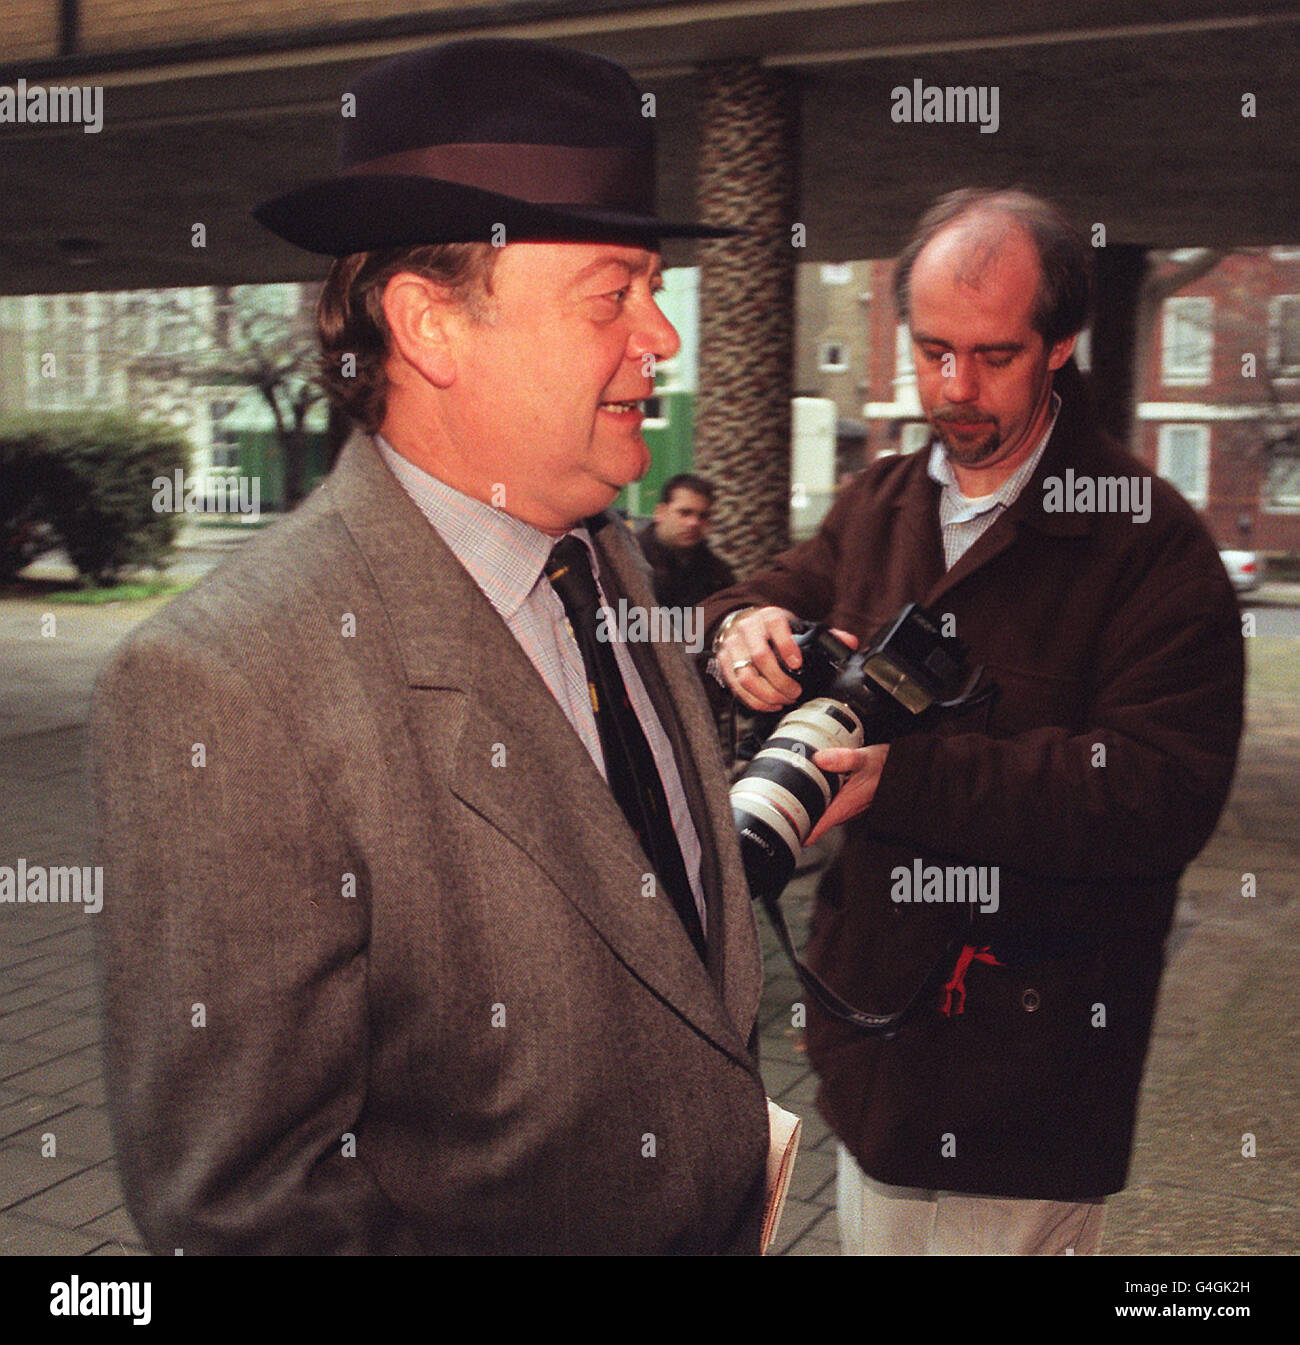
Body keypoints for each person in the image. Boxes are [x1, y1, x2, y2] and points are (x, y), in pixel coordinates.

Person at [90, 39, 770, 1255]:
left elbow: (626, 891)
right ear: (430, 326)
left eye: (651, 288)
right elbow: (243, 1212)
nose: (661, 337)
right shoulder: (227, 685)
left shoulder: (604, 555)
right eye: (611, 293)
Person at [702, 188, 1244, 1255]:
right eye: (932, 350)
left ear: (1060, 346)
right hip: (871, 1055)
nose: (955, 388)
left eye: (992, 355)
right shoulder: (880, 501)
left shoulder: (1148, 540)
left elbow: (1156, 791)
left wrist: (900, 780)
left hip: (1025, 1078)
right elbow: (752, 595)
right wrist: (741, 630)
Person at [637, 473, 736, 609]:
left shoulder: (717, 574)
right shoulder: (630, 559)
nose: (694, 523)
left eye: (703, 516)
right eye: (684, 513)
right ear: (660, 513)